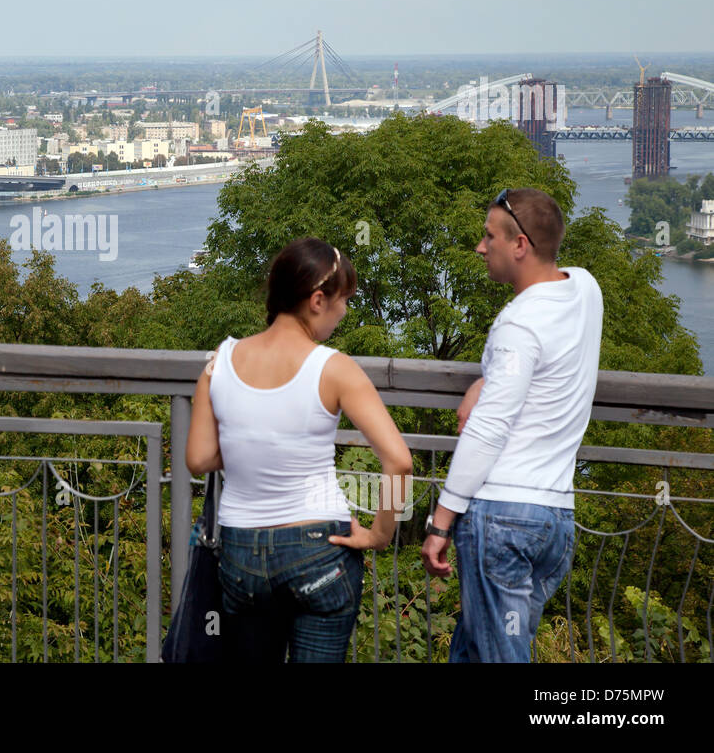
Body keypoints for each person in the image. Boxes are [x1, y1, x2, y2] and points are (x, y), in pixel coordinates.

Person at [186, 238, 413, 662]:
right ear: (317, 300)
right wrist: (380, 536)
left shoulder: (221, 359)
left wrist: (250, 446)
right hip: (320, 550)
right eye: (343, 301)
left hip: (241, 553)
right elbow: (399, 461)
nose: (344, 313)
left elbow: (198, 459)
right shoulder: (334, 367)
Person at [421, 188, 603, 663]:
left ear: (519, 245)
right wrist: (488, 378)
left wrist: (440, 523)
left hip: (501, 517)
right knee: (476, 648)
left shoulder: (517, 325)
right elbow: (531, 371)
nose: (481, 247)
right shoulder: (586, 289)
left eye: (489, 237)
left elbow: (488, 429)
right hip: (554, 521)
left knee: (500, 655)